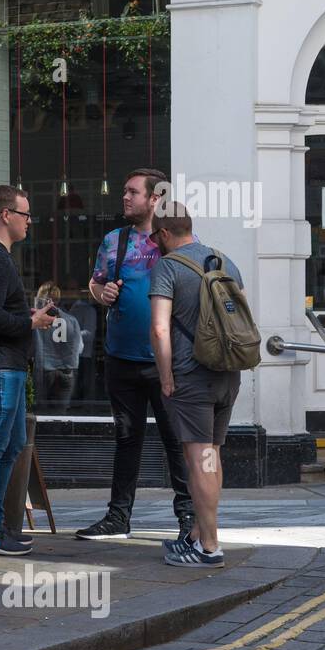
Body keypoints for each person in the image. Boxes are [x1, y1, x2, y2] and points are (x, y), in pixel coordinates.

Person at [76, 169, 196, 543]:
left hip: (167, 361)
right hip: (120, 358)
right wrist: (101, 294)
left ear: (155, 198)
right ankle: (118, 517)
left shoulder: (176, 243)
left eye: (132, 192)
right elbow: (94, 284)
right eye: (125, 191)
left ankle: (189, 519)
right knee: (126, 438)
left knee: (175, 440)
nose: (124, 197)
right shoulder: (116, 240)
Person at [149, 201, 244, 567]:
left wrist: (166, 375)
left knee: (198, 459)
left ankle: (209, 545)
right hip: (227, 374)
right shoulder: (224, 261)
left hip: (192, 377)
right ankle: (198, 534)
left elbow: (159, 328)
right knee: (212, 455)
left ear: (164, 233)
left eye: (156, 236)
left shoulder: (168, 267)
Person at [0, 185, 57, 556]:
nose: (29, 222)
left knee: (13, 443)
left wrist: (27, 319)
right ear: (6, 215)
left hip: (11, 367)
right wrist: (29, 322)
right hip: (0, 367)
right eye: (25, 214)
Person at [33, 281, 83, 412]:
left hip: (45, 370)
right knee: (61, 414)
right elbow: (80, 347)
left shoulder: (36, 321)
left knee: (41, 412)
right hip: (66, 371)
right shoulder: (71, 320)